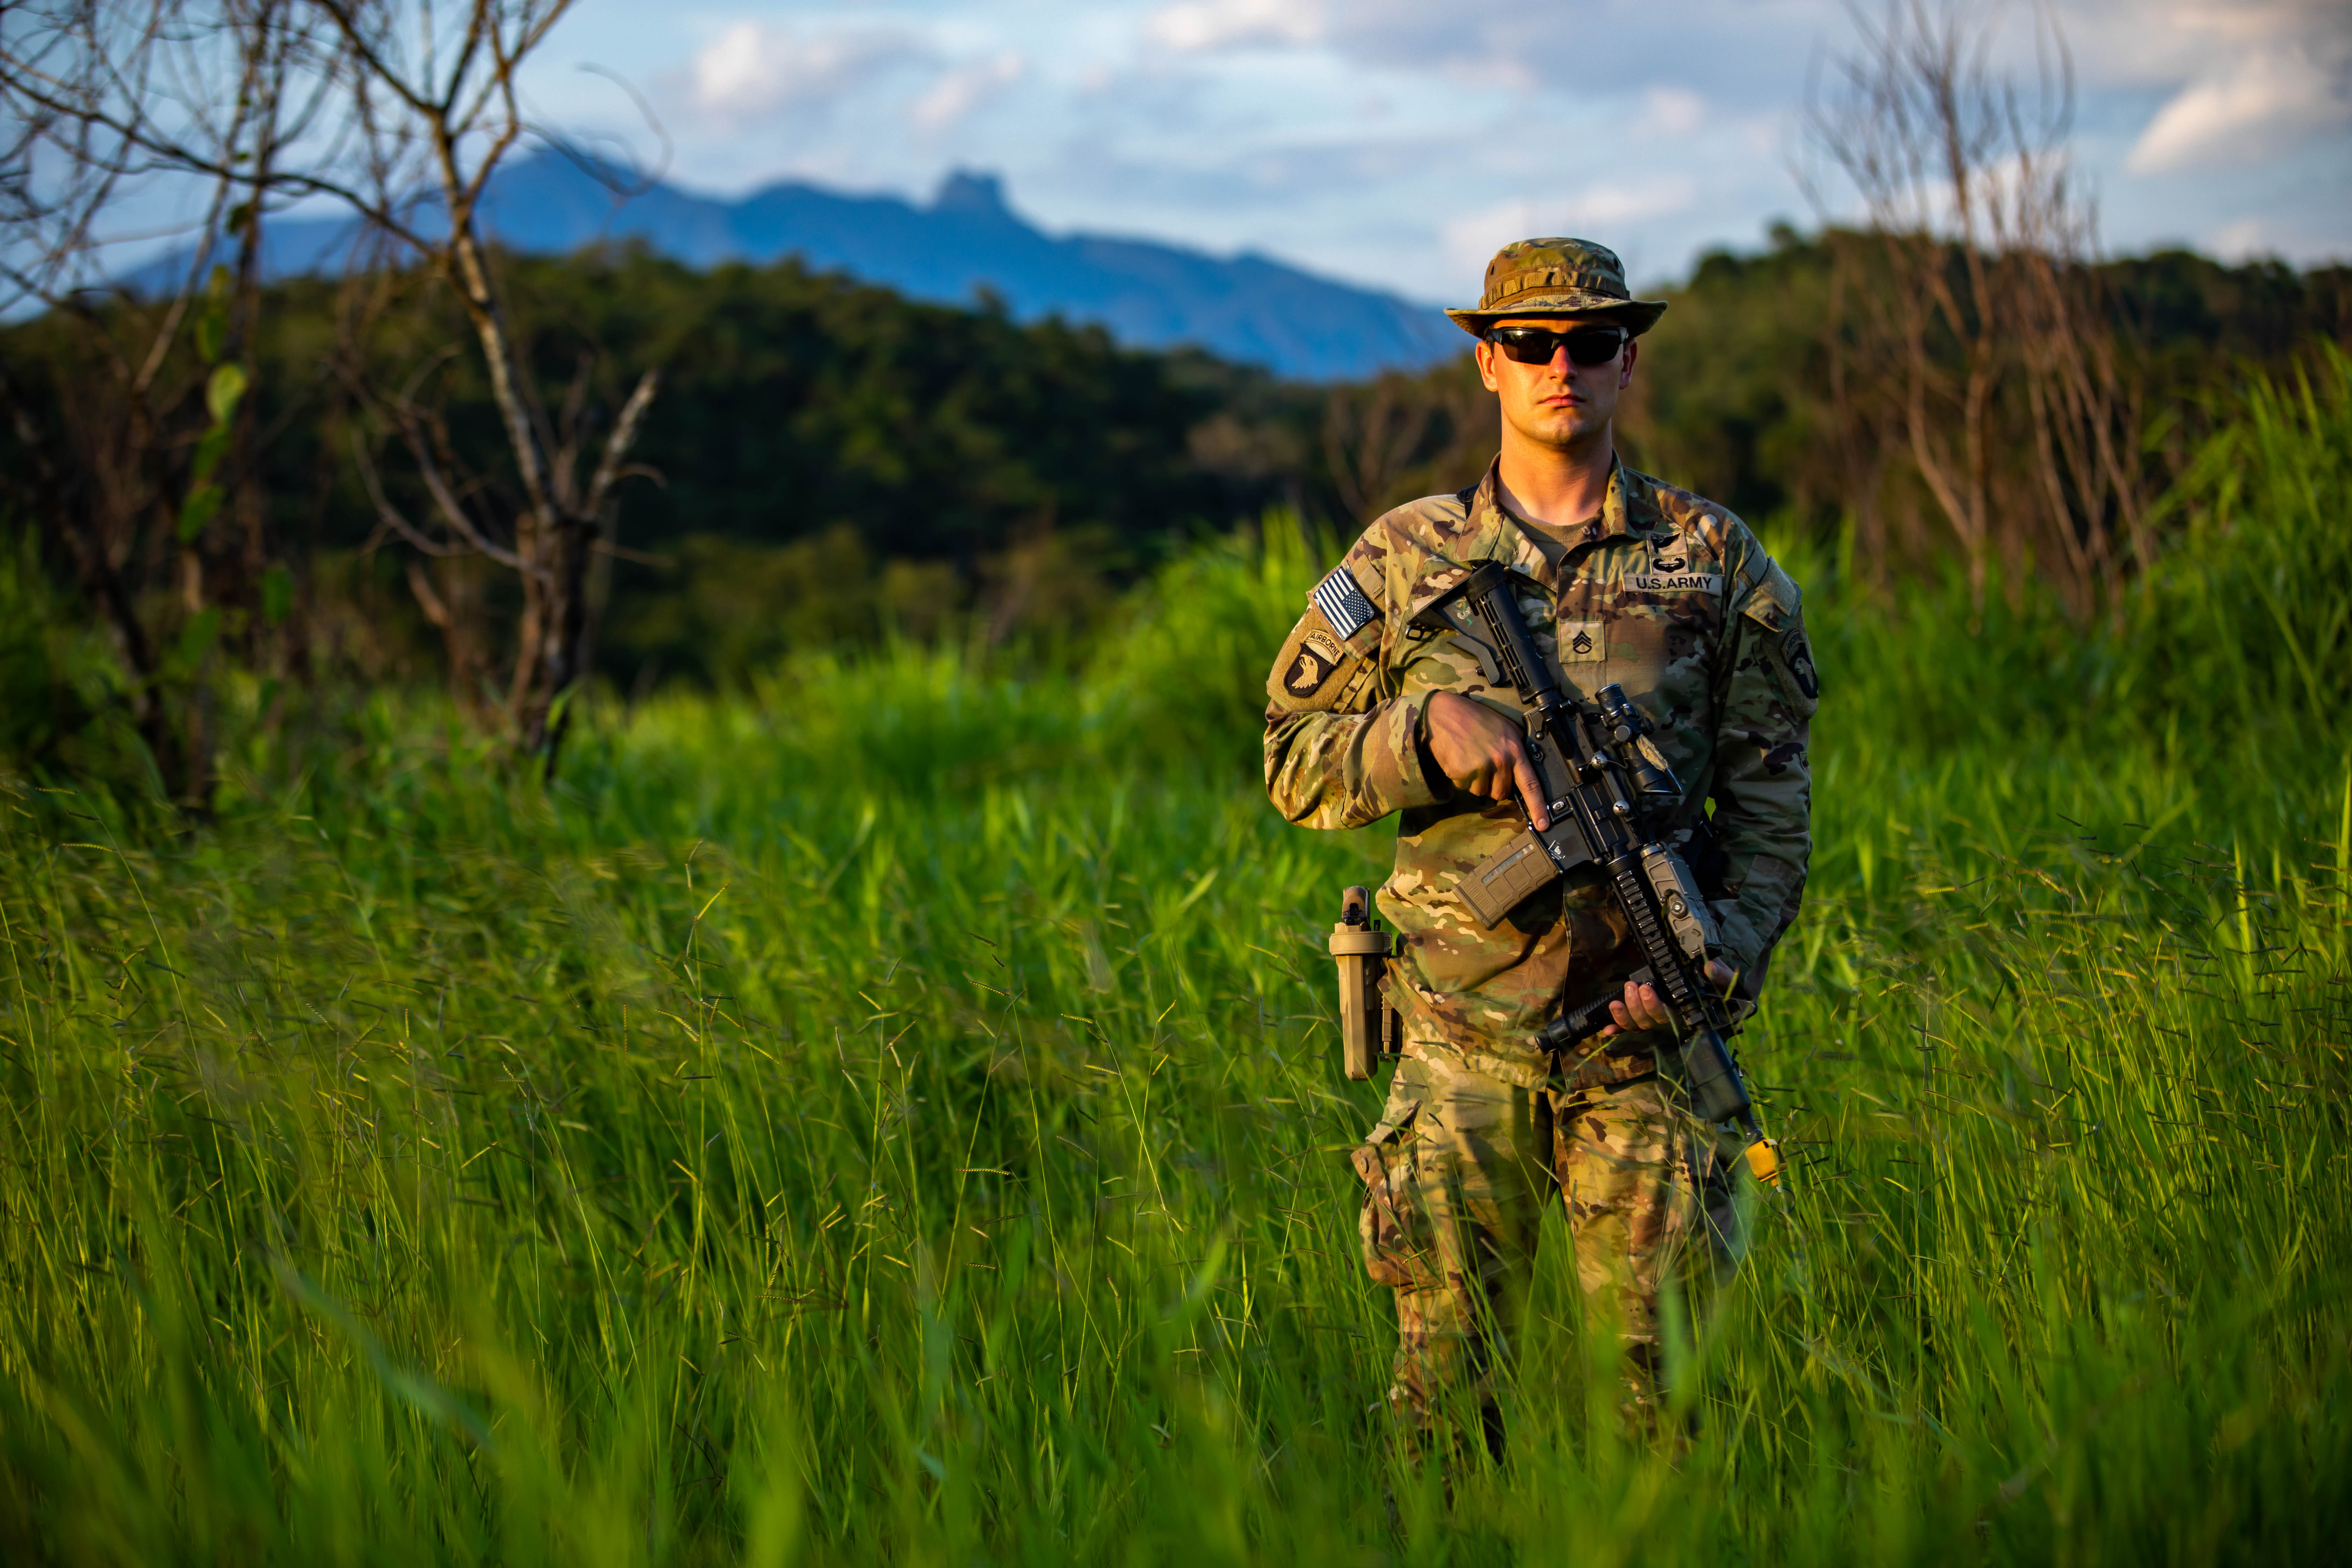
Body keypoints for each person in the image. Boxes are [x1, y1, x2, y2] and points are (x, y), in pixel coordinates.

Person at [1262, 238, 1816, 1451]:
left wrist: (1722, 959)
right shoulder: (1404, 560)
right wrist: (1422, 730)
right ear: (1486, 365)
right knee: (1444, 1419)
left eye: (1592, 343)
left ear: (1630, 362)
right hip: (1462, 1051)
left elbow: (1771, 807)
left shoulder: (1715, 562)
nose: (1562, 365)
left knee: (1660, 1421)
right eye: (1531, 344)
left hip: (1647, 1056)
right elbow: (1290, 757)